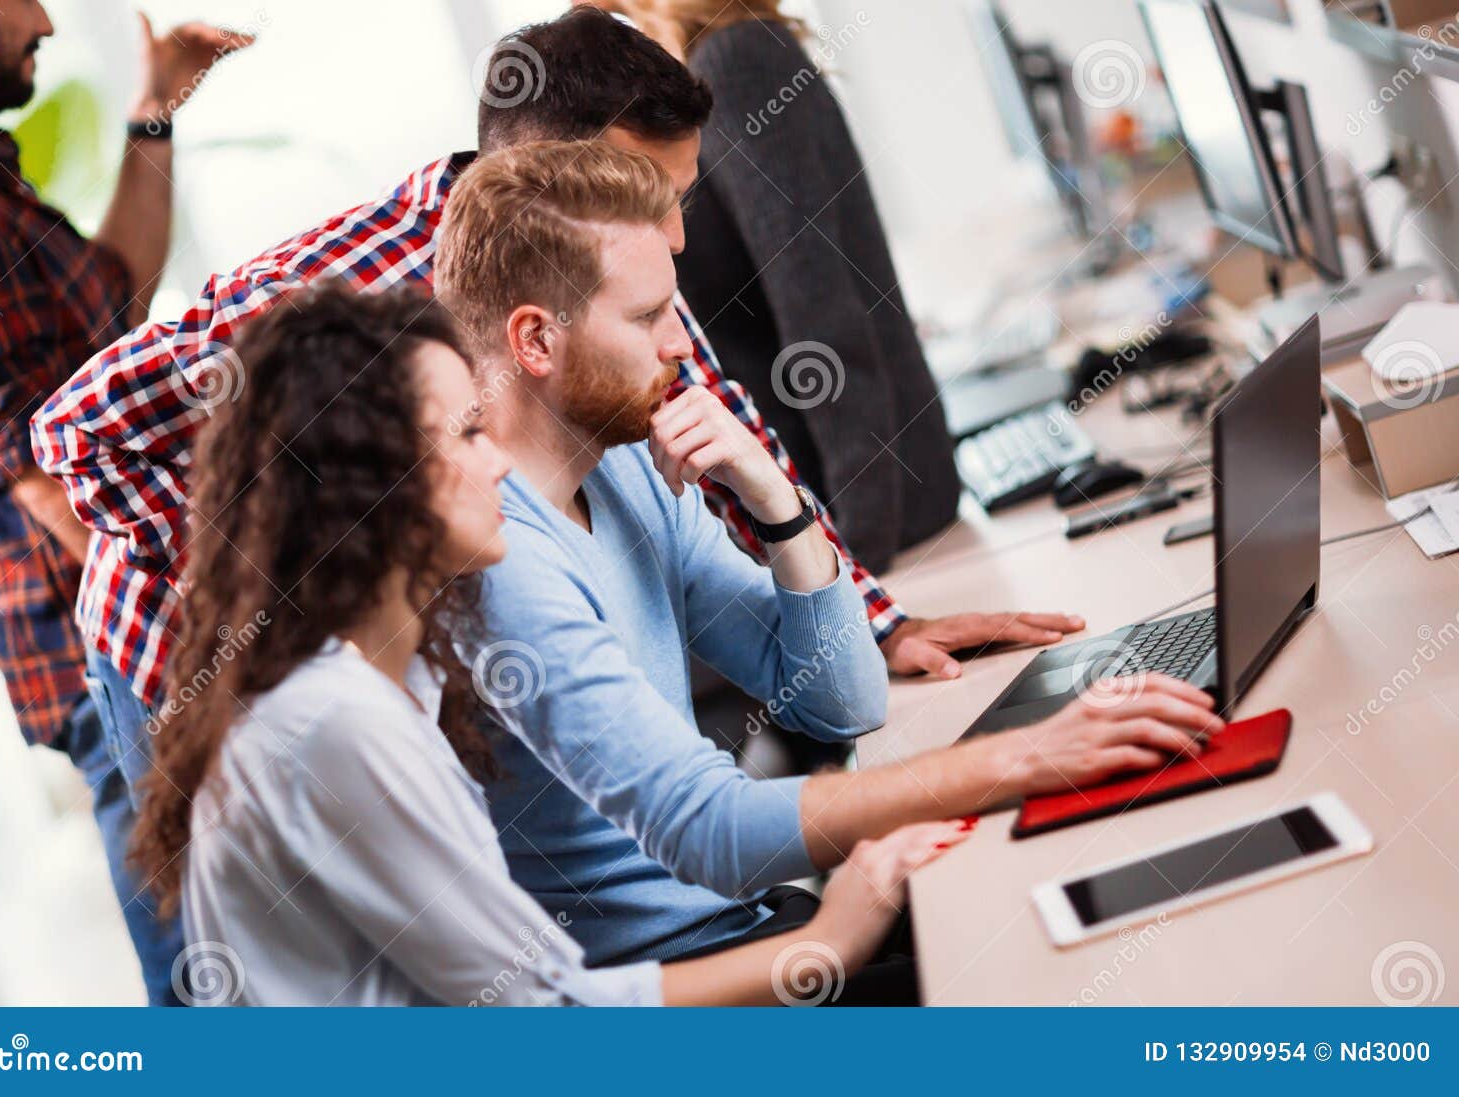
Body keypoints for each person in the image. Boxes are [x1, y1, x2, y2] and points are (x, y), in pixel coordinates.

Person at [31, 8, 1087, 820]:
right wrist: (260, 580)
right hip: (177, 650)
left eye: (679, 191)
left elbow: (717, 413)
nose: (676, 223)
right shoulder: (347, 281)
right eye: (649, 187)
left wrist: (880, 620)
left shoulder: (608, 264)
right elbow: (76, 429)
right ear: (548, 175)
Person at [433, 139, 1225, 979]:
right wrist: (1028, 754)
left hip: (752, 919)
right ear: (536, 341)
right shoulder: (499, 557)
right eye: (644, 317)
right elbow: (711, 834)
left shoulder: (624, 461)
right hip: (687, 978)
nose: (679, 343)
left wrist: (776, 501)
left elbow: (843, 699)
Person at [128, 281, 971, 1006]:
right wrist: (832, 939)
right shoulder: (338, 722)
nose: (496, 464)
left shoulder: (400, 685)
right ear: (370, 482)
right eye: (463, 435)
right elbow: (548, 1013)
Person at [0, 0, 250, 1005]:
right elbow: (47, 484)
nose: (42, 20)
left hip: (110, 637)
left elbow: (111, 300)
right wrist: (204, 633)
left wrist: (155, 107)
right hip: (108, 646)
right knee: (205, 976)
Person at [593, 0, 960, 571]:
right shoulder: (707, 61)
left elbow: (818, 306)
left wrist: (849, 560)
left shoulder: (736, 59)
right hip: (834, 511)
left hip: (861, 516)